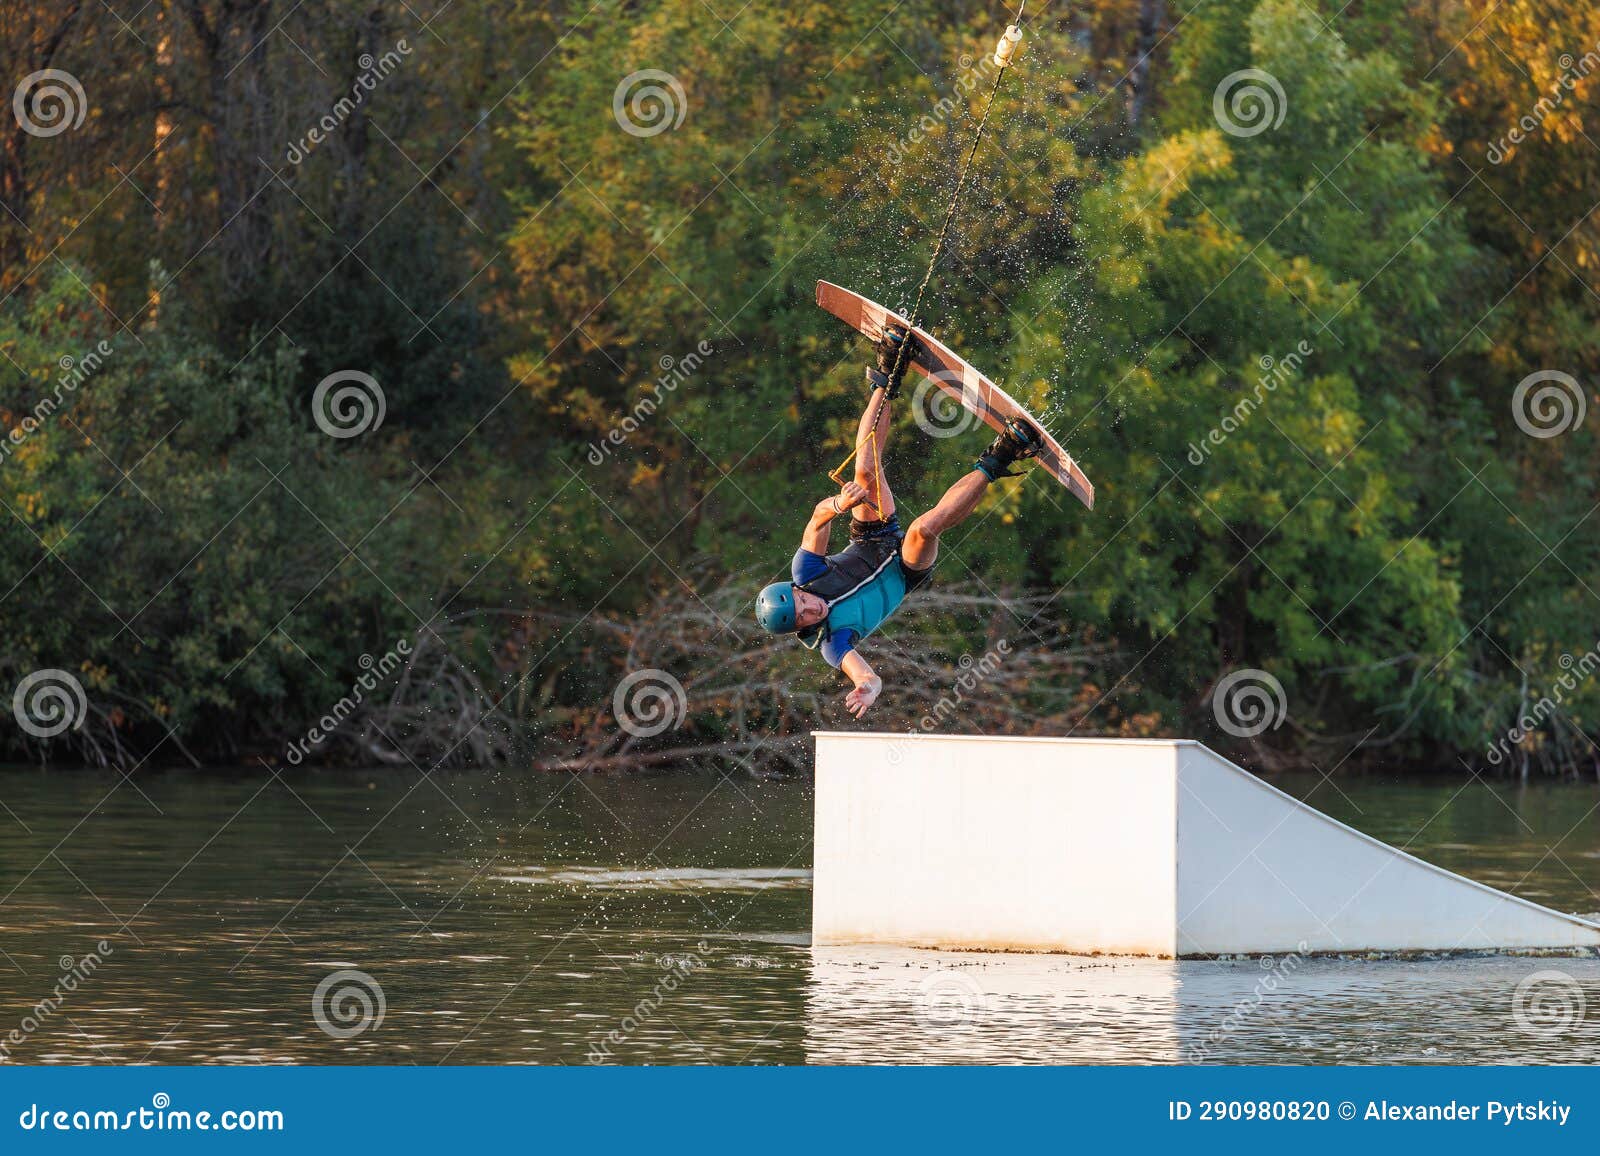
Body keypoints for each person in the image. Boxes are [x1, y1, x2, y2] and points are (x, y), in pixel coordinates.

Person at [753, 323, 1043, 718]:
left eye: (802, 601)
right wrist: (867, 689)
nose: (810, 609)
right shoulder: (833, 644)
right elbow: (867, 676)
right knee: (924, 529)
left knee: (864, 472)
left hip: (872, 539)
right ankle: (1005, 453)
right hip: (905, 572)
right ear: (799, 629)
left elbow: (816, 521)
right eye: (803, 616)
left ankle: (888, 371)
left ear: (796, 589)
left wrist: (839, 504)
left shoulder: (805, 571)